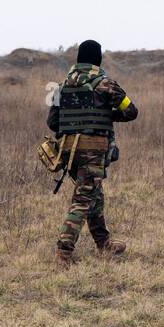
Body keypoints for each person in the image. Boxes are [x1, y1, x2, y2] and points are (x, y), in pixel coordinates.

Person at [47, 40, 138, 266]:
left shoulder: (60, 87)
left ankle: (103, 242)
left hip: (69, 152)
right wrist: (107, 114)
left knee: (93, 195)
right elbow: (131, 111)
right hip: (93, 151)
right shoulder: (106, 84)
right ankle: (63, 251)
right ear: (98, 60)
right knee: (83, 199)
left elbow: (52, 122)